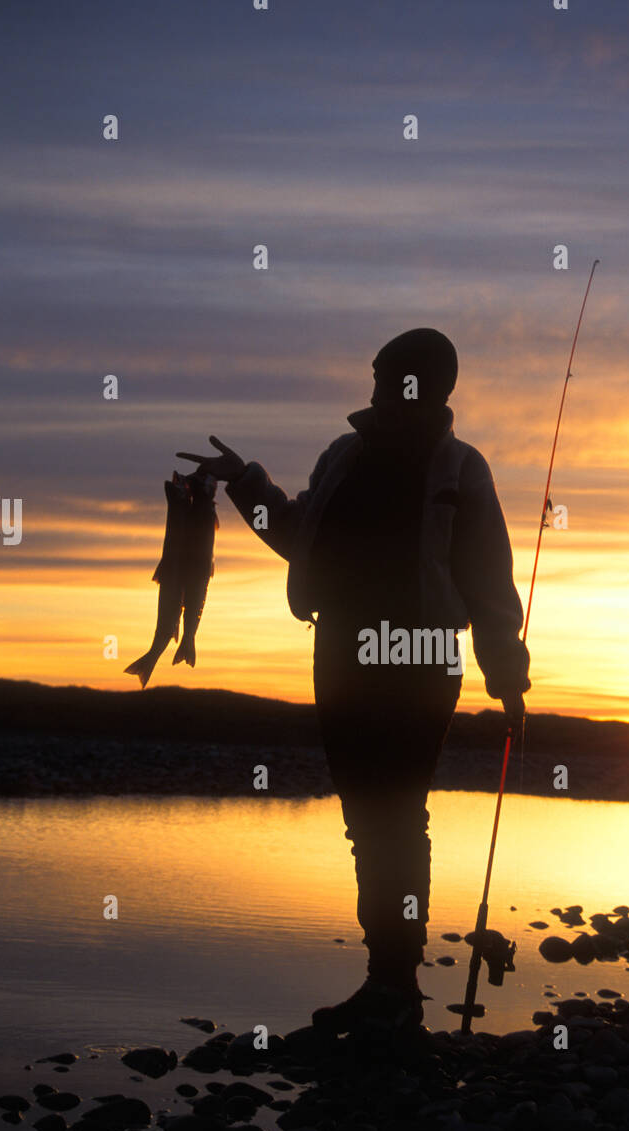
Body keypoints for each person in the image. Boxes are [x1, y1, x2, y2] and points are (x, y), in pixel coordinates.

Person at [177, 328, 530, 1035]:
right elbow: (297, 533)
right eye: (376, 373)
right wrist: (246, 482)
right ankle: (386, 980)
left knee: (396, 815)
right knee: (367, 820)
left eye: (388, 374)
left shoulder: (463, 471)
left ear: (426, 383)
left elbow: (489, 583)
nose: (374, 384)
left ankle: (395, 987)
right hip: (339, 652)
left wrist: (507, 677)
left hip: (422, 655)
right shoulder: (343, 455)